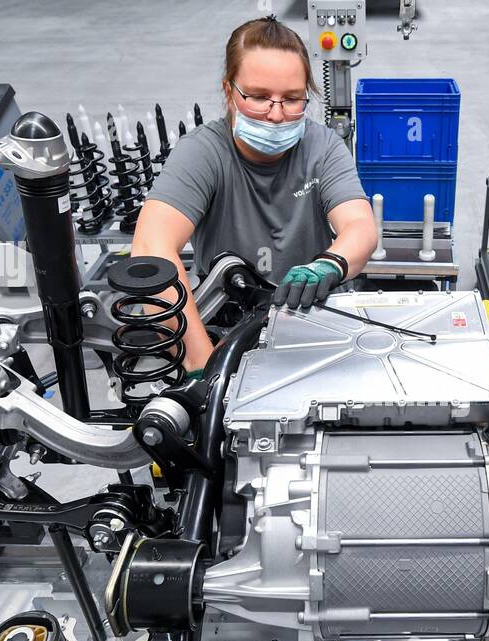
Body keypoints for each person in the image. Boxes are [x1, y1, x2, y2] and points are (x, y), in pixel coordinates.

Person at [132, 15, 377, 374]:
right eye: (260, 97)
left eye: (292, 99)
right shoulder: (203, 152)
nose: (276, 115)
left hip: (312, 315)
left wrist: (329, 264)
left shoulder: (322, 146)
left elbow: (360, 226)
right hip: (225, 324)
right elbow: (152, 251)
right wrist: (204, 363)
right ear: (229, 92)